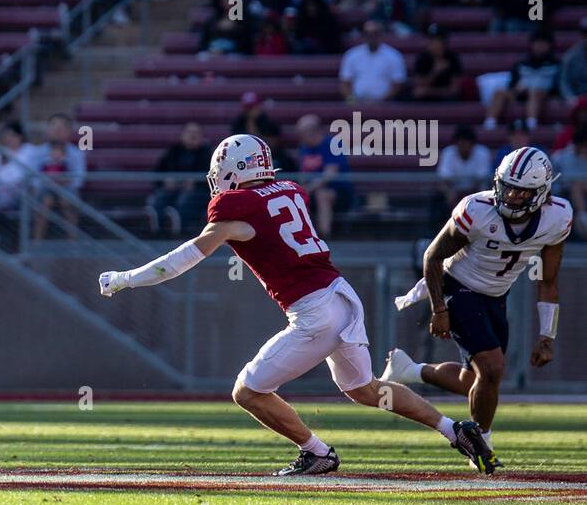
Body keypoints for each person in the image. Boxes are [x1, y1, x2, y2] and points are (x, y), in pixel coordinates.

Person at [98, 134, 494, 476]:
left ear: (232, 170)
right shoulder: (290, 189)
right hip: (342, 295)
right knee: (365, 388)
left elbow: (183, 259)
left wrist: (126, 278)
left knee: (247, 391)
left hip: (314, 310)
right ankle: (453, 429)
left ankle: (316, 452)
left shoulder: (236, 207)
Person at [382, 147, 571, 465]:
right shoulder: (476, 209)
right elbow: (433, 256)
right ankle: (479, 443)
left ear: (541, 193)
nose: (510, 196)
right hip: (458, 287)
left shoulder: (557, 217)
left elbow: (548, 282)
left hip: (496, 296)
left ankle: (409, 370)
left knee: (478, 382)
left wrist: (546, 335)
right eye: (507, 186)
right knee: (493, 369)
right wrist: (439, 309)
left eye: (520, 191)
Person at [483, 30, 559, 130]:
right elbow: (511, 85)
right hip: (521, 92)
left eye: (543, 43)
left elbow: (558, 86)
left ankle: (531, 123)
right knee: (499, 92)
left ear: (550, 45)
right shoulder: (521, 64)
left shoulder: (556, 65)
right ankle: (489, 123)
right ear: (532, 44)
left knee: (535, 92)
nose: (540, 46)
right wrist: (517, 89)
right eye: (537, 43)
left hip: (543, 94)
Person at [146, 121, 212, 236]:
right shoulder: (174, 151)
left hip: (198, 193)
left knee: (184, 201)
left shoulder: (207, 153)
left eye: (196, 133)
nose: (193, 135)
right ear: (183, 134)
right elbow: (158, 172)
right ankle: (157, 232)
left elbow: (213, 178)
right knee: (158, 200)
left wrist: (196, 183)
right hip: (173, 190)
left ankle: (179, 234)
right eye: (190, 132)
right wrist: (166, 181)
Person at [295, 114, 352, 237]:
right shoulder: (304, 148)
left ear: (312, 132)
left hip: (339, 192)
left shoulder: (332, 144)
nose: (300, 137)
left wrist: (308, 189)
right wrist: (301, 190)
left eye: (302, 133)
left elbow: (330, 173)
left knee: (322, 194)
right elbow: (303, 173)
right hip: (312, 190)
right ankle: (301, 237)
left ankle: (324, 236)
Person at [31, 113, 86, 240]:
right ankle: (36, 242)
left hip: (67, 189)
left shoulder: (76, 154)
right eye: (53, 128)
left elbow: (79, 179)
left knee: (66, 200)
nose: (57, 132)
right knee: (45, 201)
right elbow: (32, 177)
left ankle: (73, 243)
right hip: (44, 189)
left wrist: (65, 181)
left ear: (68, 132)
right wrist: (47, 182)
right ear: (48, 131)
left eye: (61, 129)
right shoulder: (38, 152)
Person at [0, 121, 34, 243]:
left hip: (20, 193)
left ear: (20, 136)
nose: (9, 139)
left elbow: (24, 174)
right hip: (1, 192)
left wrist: (7, 183)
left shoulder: (29, 150)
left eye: (12, 135)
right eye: (6, 136)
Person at [338, 21, 406, 102]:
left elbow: (397, 85)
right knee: (355, 114)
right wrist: (352, 101)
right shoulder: (351, 55)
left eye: (375, 33)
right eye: (367, 33)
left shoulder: (394, 56)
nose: (371, 37)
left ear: (381, 34)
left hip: (384, 105)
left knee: (382, 113)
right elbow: (344, 84)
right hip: (357, 106)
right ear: (363, 35)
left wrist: (380, 102)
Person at [437, 124, 492, 209]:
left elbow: (482, 181)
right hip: (454, 192)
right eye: (460, 141)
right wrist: (450, 194)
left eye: (466, 141)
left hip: (476, 192)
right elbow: (444, 180)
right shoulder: (448, 153)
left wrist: (470, 198)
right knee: (439, 198)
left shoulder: (483, 153)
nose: (462, 144)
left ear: (472, 143)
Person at [411, 24, 463, 102]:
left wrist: (429, 92)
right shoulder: (422, 58)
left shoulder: (453, 58)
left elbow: (454, 90)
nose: (429, 43)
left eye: (434, 40)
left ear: (443, 42)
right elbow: (418, 87)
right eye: (428, 39)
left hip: (446, 99)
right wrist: (434, 72)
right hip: (426, 99)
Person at [557, 17, 587, 109]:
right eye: (585, 33)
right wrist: (570, 98)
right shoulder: (570, 57)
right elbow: (564, 81)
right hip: (579, 100)